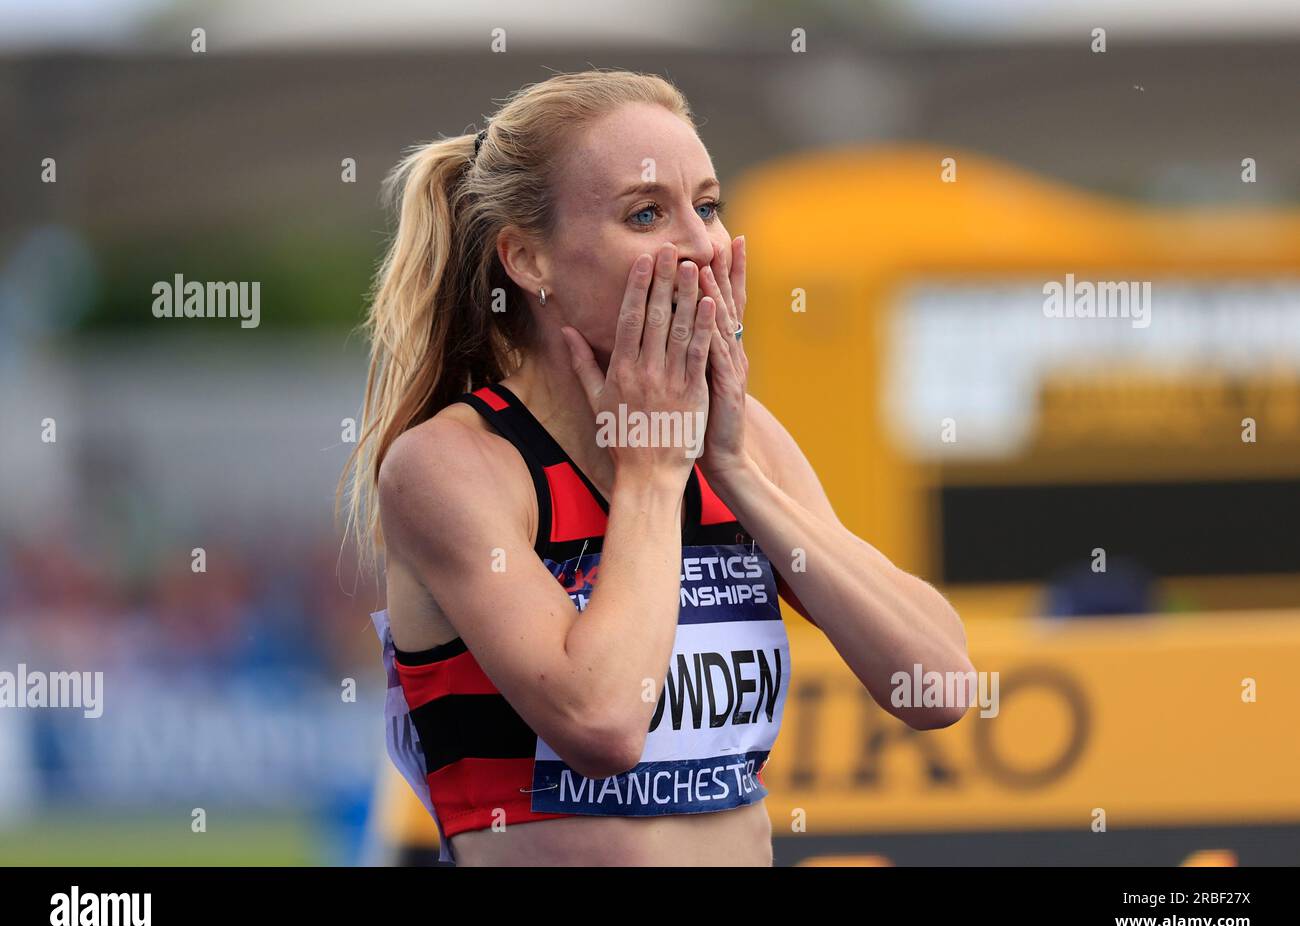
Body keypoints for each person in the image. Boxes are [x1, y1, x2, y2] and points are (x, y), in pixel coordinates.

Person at [338, 69, 972, 866]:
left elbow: (941, 687)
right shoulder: (454, 464)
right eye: (647, 214)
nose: (703, 245)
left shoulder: (739, 441)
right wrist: (652, 472)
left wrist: (737, 473)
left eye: (706, 206)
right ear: (528, 260)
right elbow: (602, 724)